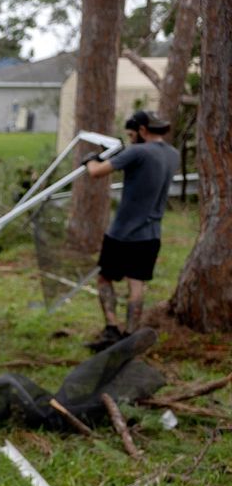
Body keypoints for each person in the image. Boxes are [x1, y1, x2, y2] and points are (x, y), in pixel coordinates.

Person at [82, 108, 178, 349]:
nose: (130, 138)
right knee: (137, 285)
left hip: (123, 233)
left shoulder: (137, 151)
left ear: (143, 131)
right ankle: (130, 337)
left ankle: (112, 329)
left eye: (131, 134)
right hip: (151, 234)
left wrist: (91, 159)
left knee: (104, 279)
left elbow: (96, 172)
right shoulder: (173, 154)